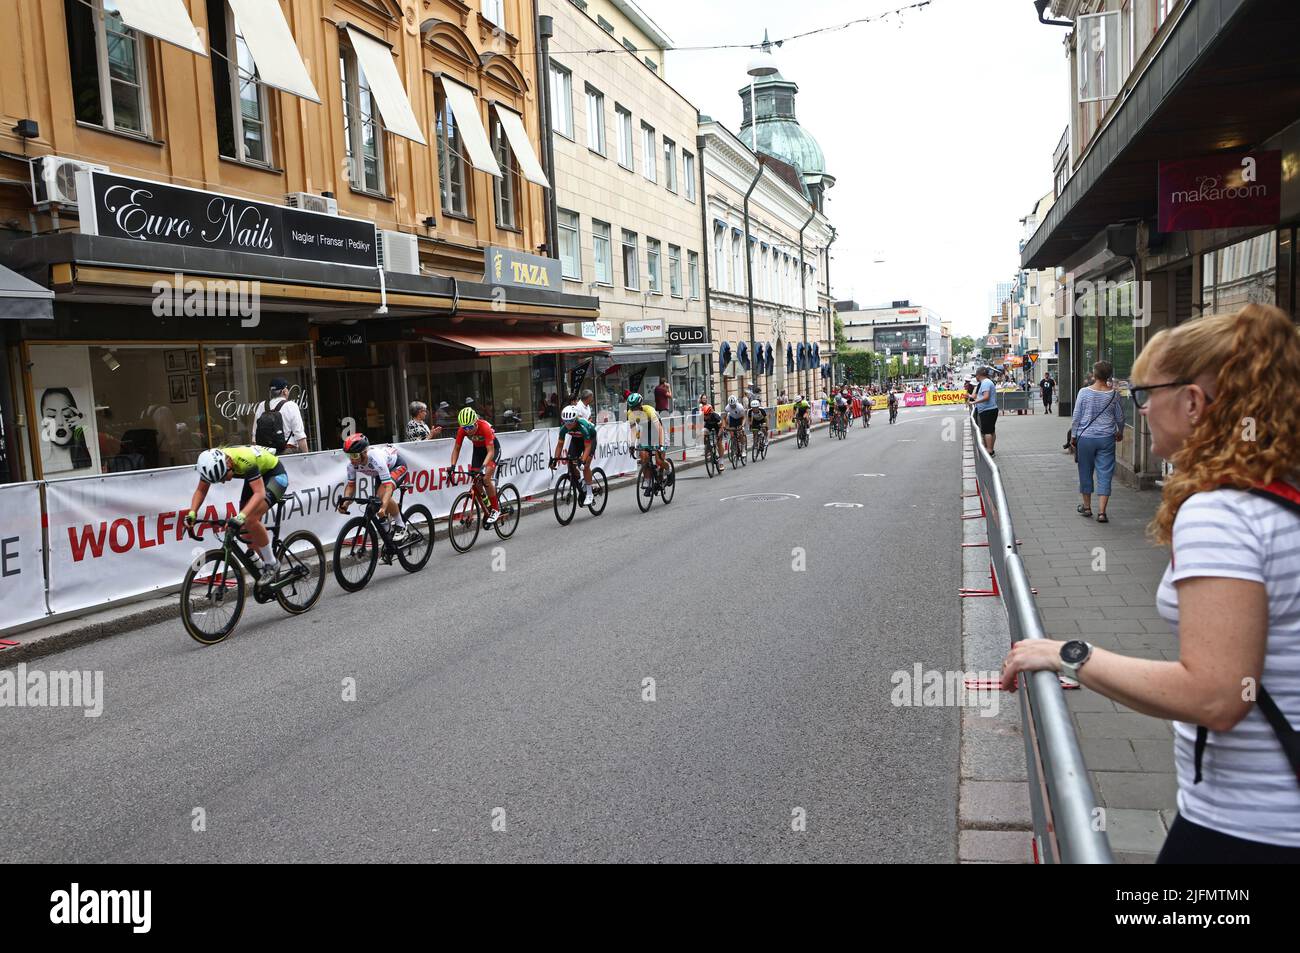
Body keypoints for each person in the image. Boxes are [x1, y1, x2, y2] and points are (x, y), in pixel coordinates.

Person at [1002, 303, 1300, 863]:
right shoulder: (1274, 495)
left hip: (1248, 830)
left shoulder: (1222, 514)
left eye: (1145, 395)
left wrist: (1069, 655)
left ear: (1191, 403)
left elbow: (1214, 694)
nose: (1138, 410)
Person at [186, 445, 289, 589]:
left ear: (228, 464)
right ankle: (262, 567)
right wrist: (192, 513)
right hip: (256, 476)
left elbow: (259, 493)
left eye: (222, 477)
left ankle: (272, 563)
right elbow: (201, 491)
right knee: (243, 527)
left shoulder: (245, 460)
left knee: (249, 519)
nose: (222, 481)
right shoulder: (213, 463)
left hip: (275, 476)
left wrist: (240, 516)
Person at [1070, 361, 1126, 523]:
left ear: (1094, 375)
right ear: (1109, 375)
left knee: (1085, 471)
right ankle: (1102, 512)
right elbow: (1120, 417)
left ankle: (1087, 507)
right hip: (1106, 438)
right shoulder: (1114, 394)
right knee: (1105, 473)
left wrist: (1074, 436)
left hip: (1085, 438)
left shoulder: (1083, 392)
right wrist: (1120, 432)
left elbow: (1076, 416)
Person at [336, 433, 410, 540]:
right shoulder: (351, 466)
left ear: (364, 452)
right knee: (377, 503)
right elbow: (351, 486)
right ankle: (388, 538)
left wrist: (383, 508)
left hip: (397, 466)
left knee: (381, 499)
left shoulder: (376, 458)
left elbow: (388, 486)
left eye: (354, 455)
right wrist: (346, 503)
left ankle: (400, 525)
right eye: (348, 456)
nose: (352, 460)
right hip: (380, 473)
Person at [448, 407, 502, 525]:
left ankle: (495, 509)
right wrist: (452, 466)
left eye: (470, 427)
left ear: (476, 422)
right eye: (465, 428)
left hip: (492, 450)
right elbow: (456, 449)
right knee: (476, 480)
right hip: (478, 450)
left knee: (485, 478)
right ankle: (486, 502)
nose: (468, 430)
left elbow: (491, 452)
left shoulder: (484, 427)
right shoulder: (462, 430)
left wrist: (483, 467)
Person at [550, 405, 599, 506]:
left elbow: (588, 446)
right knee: (570, 462)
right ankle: (581, 481)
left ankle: (589, 494)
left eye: (570, 421)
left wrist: (583, 460)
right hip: (576, 439)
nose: (567, 424)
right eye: (565, 421)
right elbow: (560, 445)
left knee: (585, 465)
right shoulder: (564, 429)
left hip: (590, 439)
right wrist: (555, 459)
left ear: (576, 419)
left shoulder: (583, 426)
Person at [253, 378, 308, 454]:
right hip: (287, 451)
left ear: (271, 392)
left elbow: (255, 437)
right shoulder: (291, 406)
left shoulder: (262, 405)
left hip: (266, 454)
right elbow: (299, 435)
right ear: (285, 391)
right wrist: (307, 455)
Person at [627, 392, 669, 487]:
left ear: (640, 405)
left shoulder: (649, 410)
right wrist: (632, 445)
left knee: (659, 461)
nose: (634, 410)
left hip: (659, 431)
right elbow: (633, 430)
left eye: (636, 407)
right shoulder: (630, 413)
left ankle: (668, 470)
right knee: (643, 457)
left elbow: (659, 428)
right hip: (646, 433)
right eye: (632, 408)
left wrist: (661, 445)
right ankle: (648, 481)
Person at [968, 367, 998, 455]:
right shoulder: (987, 382)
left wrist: (974, 402)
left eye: (976, 375)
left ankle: (989, 451)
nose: (976, 377)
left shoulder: (985, 383)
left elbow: (986, 397)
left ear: (978, 375)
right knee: (991, 431)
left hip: (987, 410)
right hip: (990, 409)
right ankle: (991, 449)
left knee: (987, 432)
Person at [700, 401, 725, 472]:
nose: (705, 417)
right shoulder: (704, 416)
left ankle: (721, 462)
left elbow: (721, 427)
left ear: (710, 413)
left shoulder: (716, 416)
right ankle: (708, 448)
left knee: (719, 443)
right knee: (703, 433)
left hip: (718, 427)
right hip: (709, 426)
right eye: (704, 415)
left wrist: (718, 435)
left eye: (707, 415)